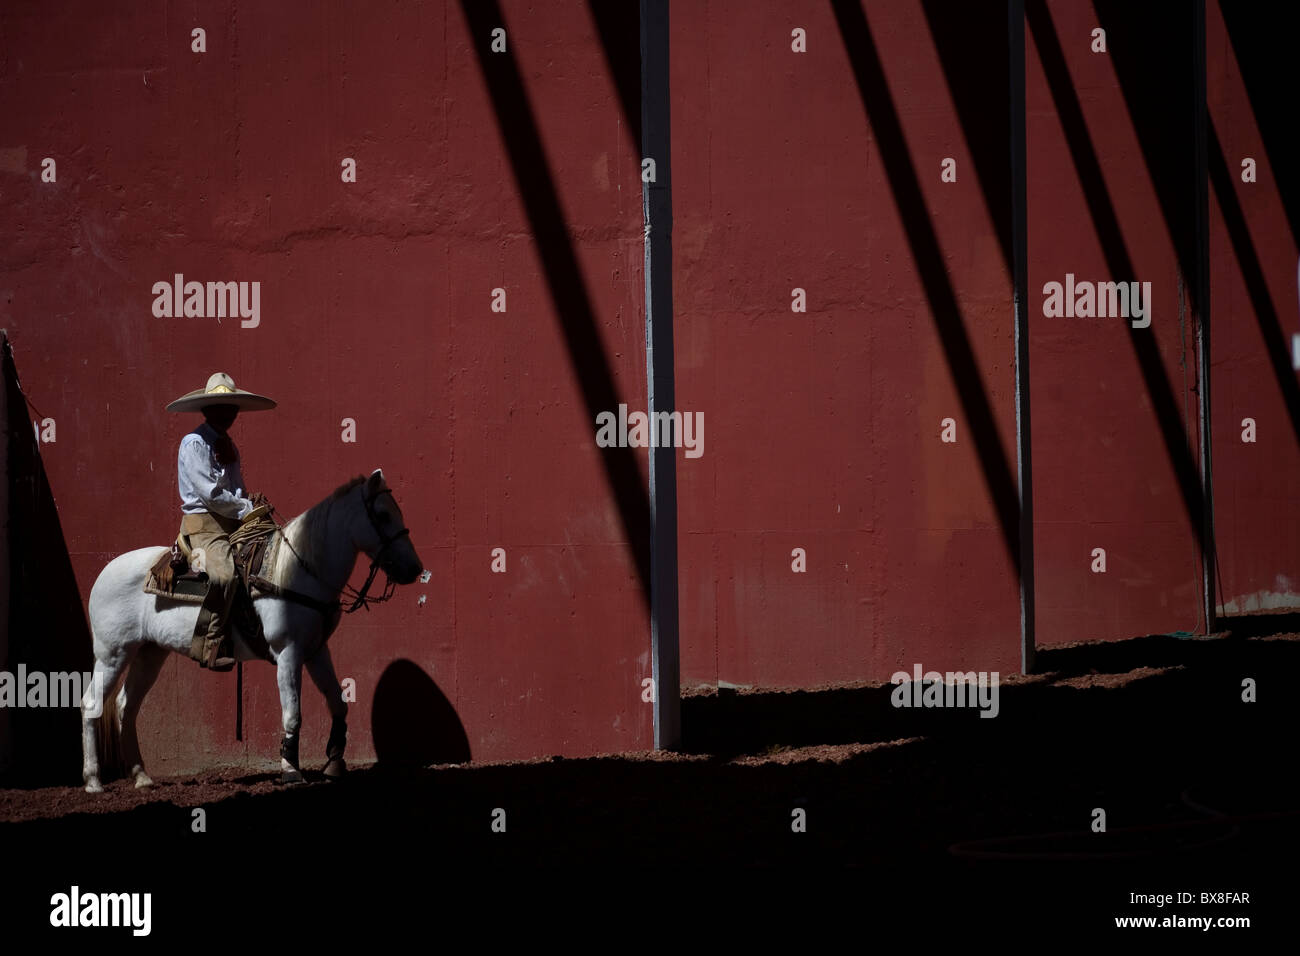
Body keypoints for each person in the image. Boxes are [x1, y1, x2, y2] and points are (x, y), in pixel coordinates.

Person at [165, 372, 276, 671]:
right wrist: (245, 505)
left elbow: (235, 487)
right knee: (225, 575)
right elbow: (211, 494)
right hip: (204, 525)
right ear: (207, 410)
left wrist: (249, 502)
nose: (229, 414)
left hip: (231, 520)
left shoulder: (229, 445)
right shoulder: (195, 443)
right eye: (222, 408)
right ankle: (208, 644)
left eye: (232, 408)